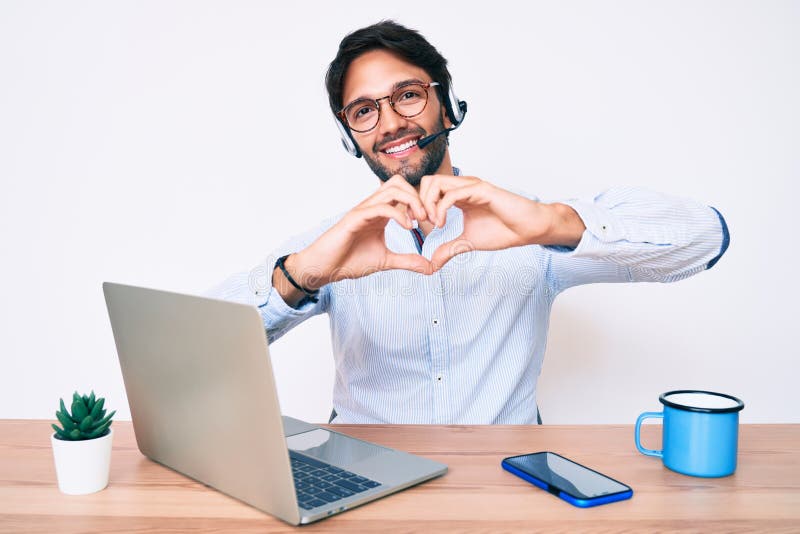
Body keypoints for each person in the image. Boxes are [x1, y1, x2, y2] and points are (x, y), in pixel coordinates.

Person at [208, 20, 729, 425]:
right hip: (364, 487)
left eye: (407, 95)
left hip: (503, 481)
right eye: (363, 111)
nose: (389, 122)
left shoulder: (529, 225)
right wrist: (300, 275)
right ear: (351, 137)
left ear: (449, 106)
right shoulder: (331, 245)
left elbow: (706, 239)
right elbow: (194, 351)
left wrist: (551, 224)